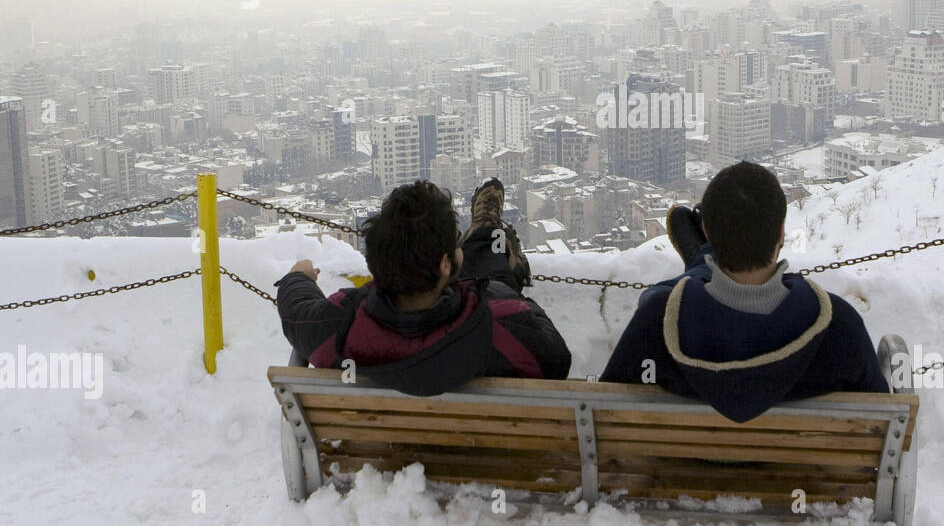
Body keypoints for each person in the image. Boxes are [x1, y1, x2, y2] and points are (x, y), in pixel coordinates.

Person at [600, 161, 890, 422]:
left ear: (709, 232)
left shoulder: (657, 323)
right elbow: (879, 416)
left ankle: (700, 261)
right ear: (781, 234)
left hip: (673, 477)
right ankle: (699, 263)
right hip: (808, 481)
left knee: (658, 298)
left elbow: (607, 410)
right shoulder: (839, 326)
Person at [276, 178, 571, 395]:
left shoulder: (338, 324)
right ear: (445, 264)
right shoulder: (501, 322)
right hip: (479, 463)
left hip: (384, 462)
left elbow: (296, 314)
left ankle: (485, 229)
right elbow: (556, 361)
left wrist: (297, 276)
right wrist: (500, 295)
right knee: (490, 266)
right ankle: (487, 229)